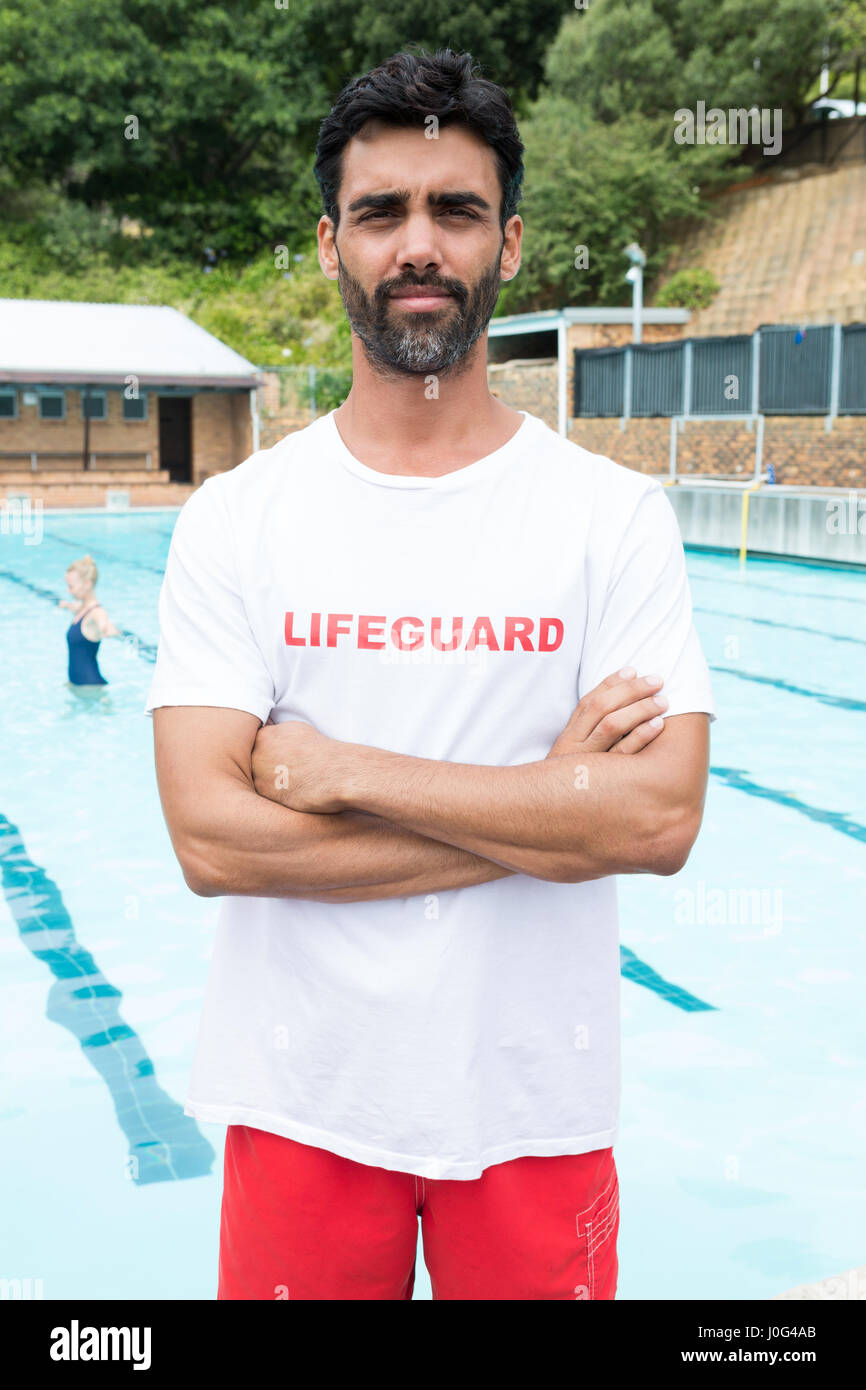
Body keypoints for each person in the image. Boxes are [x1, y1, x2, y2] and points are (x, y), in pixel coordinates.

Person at [147, 49, 717, 1301]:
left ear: (506, 243)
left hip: (530, 1109)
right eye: (380, 212)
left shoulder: (608, 518)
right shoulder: (239, 520)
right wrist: (550, 810)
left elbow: (658, 817)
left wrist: (340, 772)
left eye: (453, 211)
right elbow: (213, 840)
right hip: (301, 1101)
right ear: (327, 244)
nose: (418, 244)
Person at [59, 555, 120, 687]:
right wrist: (67, 606)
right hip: (79, 685)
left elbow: (104, 623)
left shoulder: (96, 612)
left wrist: (108, 629)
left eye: (71, 586)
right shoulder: (82, 609)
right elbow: (76, 609)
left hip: (92, 687)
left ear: (87, 584)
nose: (68, 591)